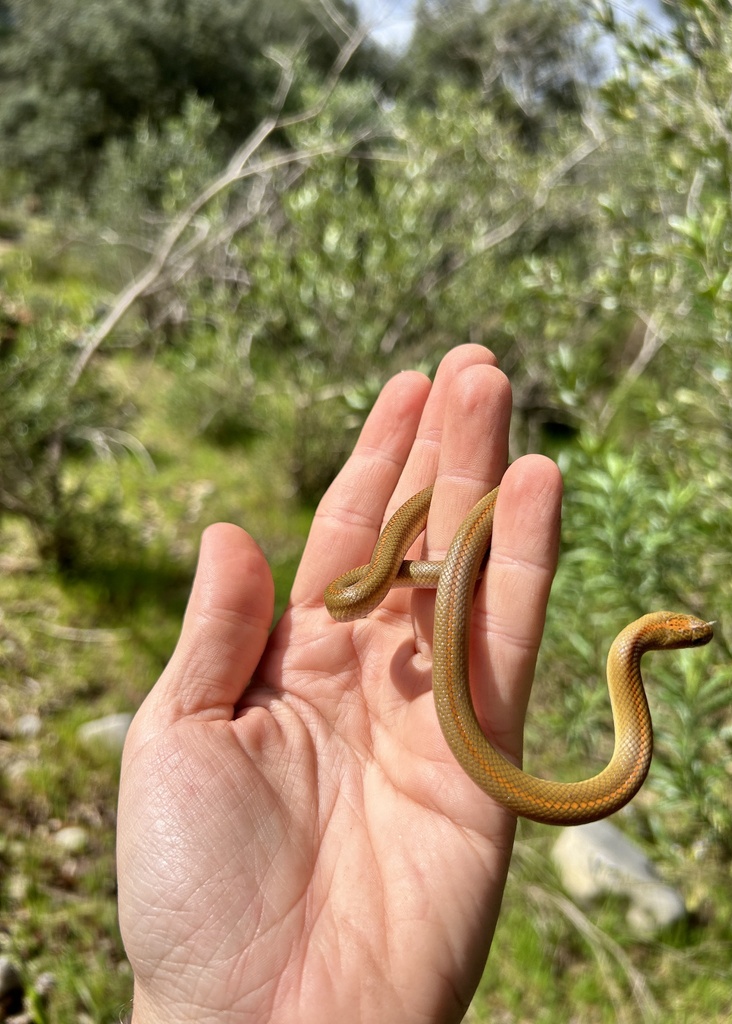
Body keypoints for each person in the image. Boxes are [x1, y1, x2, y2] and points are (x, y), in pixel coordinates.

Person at [116, 344, 563, 1024]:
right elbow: (350, 595)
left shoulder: (382, 576)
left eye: (355, 599)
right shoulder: (369, 580)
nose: (346, 610)